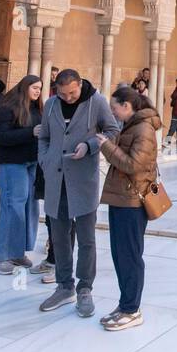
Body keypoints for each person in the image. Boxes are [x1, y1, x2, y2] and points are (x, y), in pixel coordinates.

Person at [37, 69, 119, 317]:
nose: (68, 98)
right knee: (59, 237)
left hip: (83, 180)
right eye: (63, 94)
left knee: (86, 239)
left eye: (72, 93)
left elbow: (113, 130)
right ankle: (64, 286)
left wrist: (90, 145)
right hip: (56, 180)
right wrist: (45, 160)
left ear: (80, 84)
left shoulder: (97, 102)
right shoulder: (51, 104)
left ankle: (85, 289)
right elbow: (44, 136)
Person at [96, 85, 161, 331]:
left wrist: (106, 146)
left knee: (130, 256)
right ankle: (125, 304)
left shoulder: (144, 129)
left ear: (127, 106)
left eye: (115, 108)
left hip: (132, 202)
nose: (113, 113)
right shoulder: (132, 126)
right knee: (120, 254)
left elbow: (133, 165)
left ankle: (132, 310)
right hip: (121, 198)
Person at [0, 74, 43, 275]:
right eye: (34, 87)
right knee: (13, 208)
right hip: (12, 163)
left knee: (28, 207)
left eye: (39, 88)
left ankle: (16, 252)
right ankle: (0, 257)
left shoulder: (36, 109)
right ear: (25, 87)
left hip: (31, 162)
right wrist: (31, 132)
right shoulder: (8, 108)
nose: (38, 91)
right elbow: (1, 136)